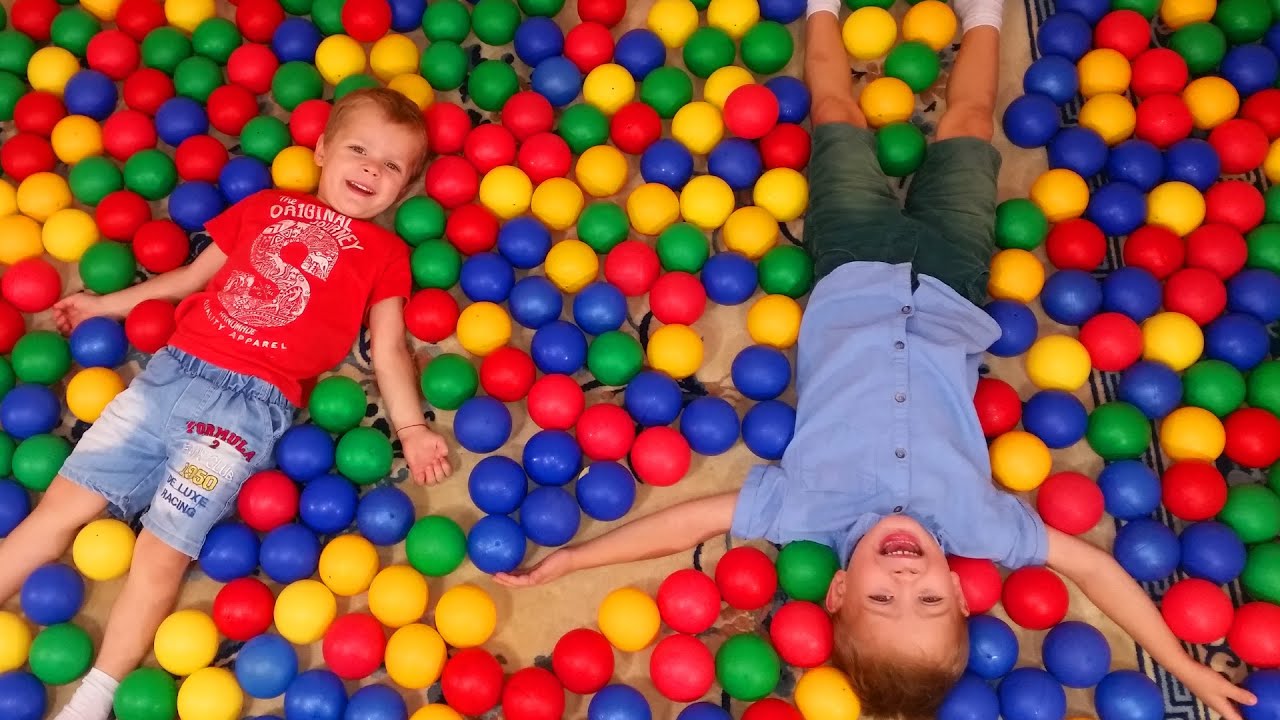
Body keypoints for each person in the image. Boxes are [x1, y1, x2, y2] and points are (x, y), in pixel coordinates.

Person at [495, 6, 1259, 720]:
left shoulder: (804, 512)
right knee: (968, 126)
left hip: (852, 265)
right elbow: (1095, 573)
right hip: (956, 276)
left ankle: (824, 11)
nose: (903, 581)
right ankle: (986, 17)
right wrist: (1184, 665)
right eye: (928, 601)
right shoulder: (983, 526)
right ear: (960, 590)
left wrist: (573, 560)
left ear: (836, 589)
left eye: (879, 600)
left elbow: (683, 523)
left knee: (835, 120)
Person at [0, 88, 453, 720]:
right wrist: (102, 306)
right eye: (358, 150)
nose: (372, 169)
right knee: (59, 508)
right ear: (320, 152)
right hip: (168, 376)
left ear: (403, 192)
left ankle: (95, 694)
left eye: (392, 166)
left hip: (242, 414)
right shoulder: (265, 206)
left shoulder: (384, 255)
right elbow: (190, 278)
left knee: (163, 551)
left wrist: (411, 428)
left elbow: (388, 350)